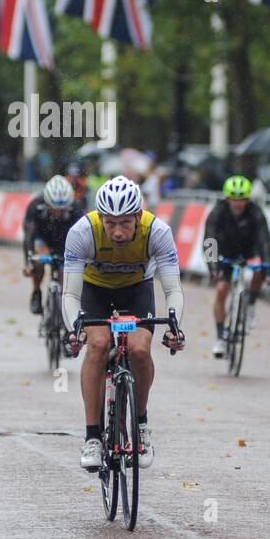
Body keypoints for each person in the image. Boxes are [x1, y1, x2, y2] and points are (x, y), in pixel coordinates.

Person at [63, 176, 185, 472]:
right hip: (95, 291)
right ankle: (92, 436)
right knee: (99, 344)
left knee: (139, 351)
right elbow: (70, 292)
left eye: (125, 224)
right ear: (101, 217)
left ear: (138, 216)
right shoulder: (82, 231)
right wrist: (73, 329)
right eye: (111, 224)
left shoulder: (157, 231)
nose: (117, 232)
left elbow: (173, 290)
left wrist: (174, 327)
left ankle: (140, 425)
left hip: (136, 290)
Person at [203, 176, 270, 357]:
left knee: (259, 269)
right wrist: (213, 267)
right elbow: (209, 238)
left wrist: (268, 267)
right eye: (234, 198)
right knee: (221, 290)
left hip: (249, 251)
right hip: (225, 252)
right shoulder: (218, 211)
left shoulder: (255, 212)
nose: (238, 203)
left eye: (242, 199)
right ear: (227, 198)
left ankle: (250, 305)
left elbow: (265, 239)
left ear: (248, 199)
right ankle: (220, 338)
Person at [22, 174, 88, 315]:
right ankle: (36, 291)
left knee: (67, 280)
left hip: (66, 241)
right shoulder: (35, 205)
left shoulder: (76, 208)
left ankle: (65, 310)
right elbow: (29, 236)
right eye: (54, 209)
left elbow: (84, 238)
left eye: (62, 209)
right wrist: (28, 262)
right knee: (39, 258)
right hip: (43, 238)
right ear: (47, 203)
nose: (58, 213)